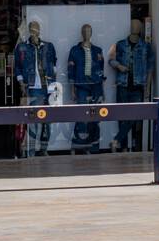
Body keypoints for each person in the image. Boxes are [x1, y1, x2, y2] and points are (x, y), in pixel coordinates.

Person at [13, 20, 58, 157]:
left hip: (48, 87)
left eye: (36, 29)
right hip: (33, 87)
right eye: (32, 29)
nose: (34, 31)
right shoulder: (22, 47)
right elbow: (18, 67)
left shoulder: (48, 46)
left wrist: (54, 84)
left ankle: (44, 148)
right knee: (33, 121)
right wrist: (21, 82)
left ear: (40, 30)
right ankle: (31, 150)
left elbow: (54, 64)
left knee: (47, 121)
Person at [109, 19, 153, 152]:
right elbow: (110, 60)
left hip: (138, 86)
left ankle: (116, 140)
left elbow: (150, 68)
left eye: (137, 26)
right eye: (133, 25)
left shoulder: (146, 46)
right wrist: (119, 66)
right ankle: (122, 146)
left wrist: (147, 88)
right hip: (122, 84)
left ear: (140, 29)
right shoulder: (120, 44)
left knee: (134, 115)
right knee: (121, 116)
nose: (135, 27)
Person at [67, 24, 105, 154]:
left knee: (95, 118)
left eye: (89, 31)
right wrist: (72, 90)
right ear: (81, 33)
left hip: (96, 87)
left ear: (92, 33)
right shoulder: (75, 50)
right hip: (81, 86)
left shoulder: (98, 50)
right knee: (82, 116)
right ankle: (78, 146)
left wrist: (102, 91)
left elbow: (101, 71)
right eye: (84, 31)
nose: (87, 33)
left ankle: (92, 147)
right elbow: (70, 71)